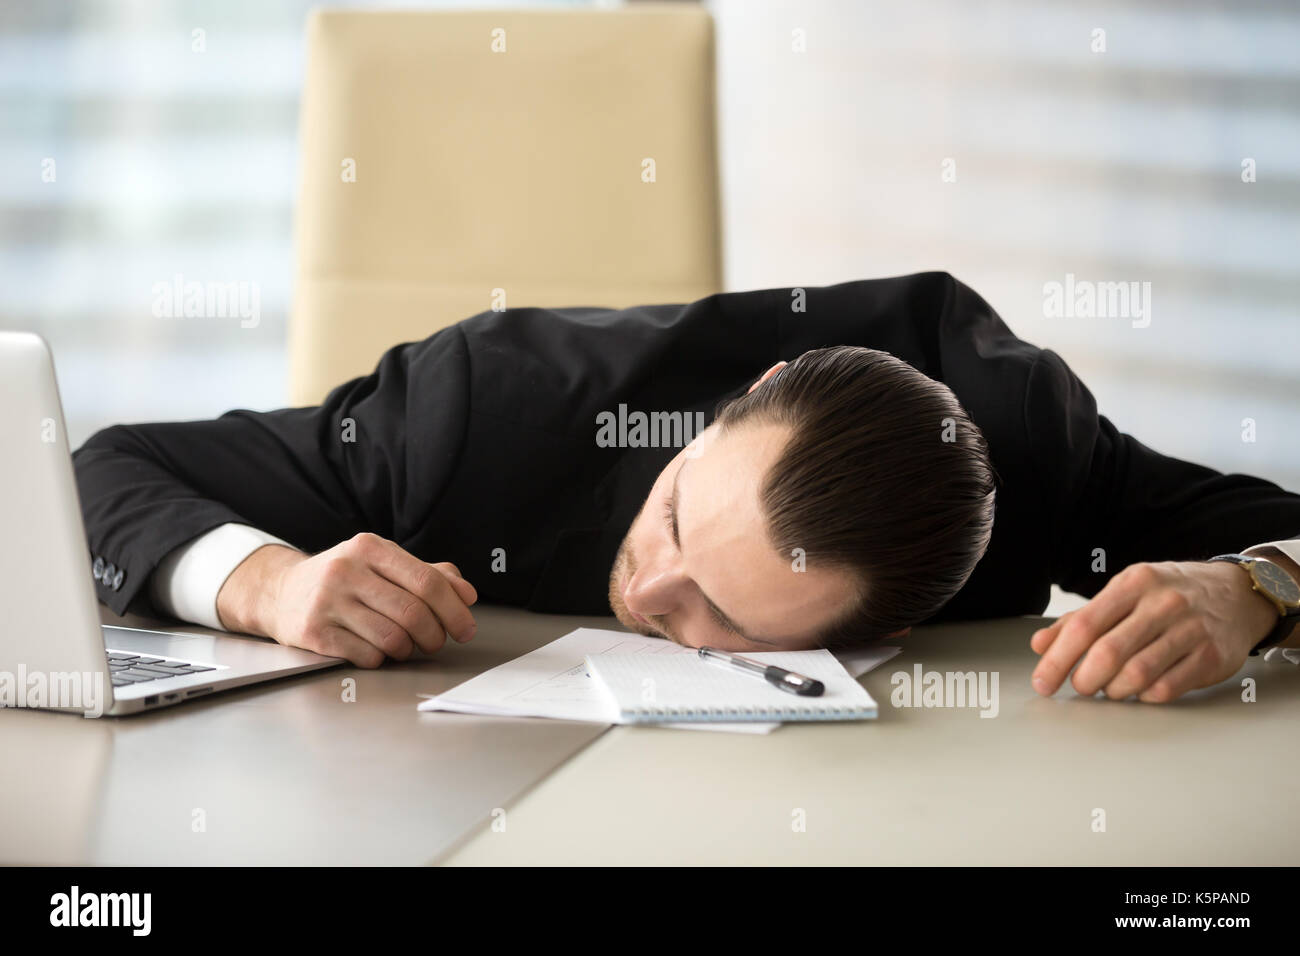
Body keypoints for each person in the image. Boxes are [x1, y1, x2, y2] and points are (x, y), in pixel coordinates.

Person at [73, 271, 1300, 704]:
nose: (645, 590)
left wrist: (1255, 584)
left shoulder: (1038, 456)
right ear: (729, 408)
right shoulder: (472, 414)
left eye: (723, 610)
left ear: (882, 633)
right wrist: (268, 580)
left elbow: (1270, 536)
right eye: (672, 514)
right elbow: (101, 468)